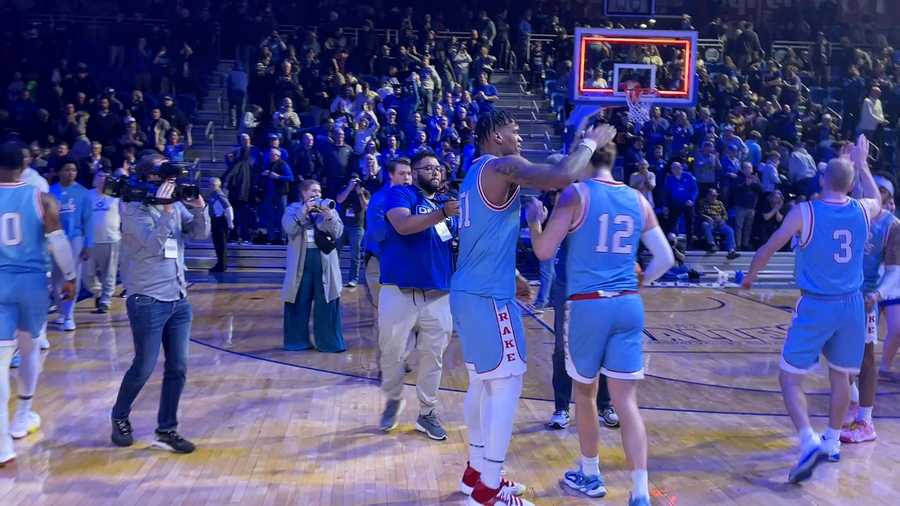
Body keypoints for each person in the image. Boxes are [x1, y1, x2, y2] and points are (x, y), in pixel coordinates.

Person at [452, 109, 616, 506]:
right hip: (488, 298)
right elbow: (562, 175)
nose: (520, 138)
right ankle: (489, 487)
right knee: (506, 385)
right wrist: (591, 142)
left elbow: (481, 237)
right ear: (496, 136)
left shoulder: (474, 173)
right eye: (515, 131)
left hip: (470, 290)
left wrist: (511, 273)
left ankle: (476, 473)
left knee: (481, 383)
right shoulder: (501, 166)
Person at [526, 139, 674, 506]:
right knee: (627, 402)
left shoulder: (576, 194)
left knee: (585, 394)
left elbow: (543, 251)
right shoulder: (637, 199)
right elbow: (665, 258)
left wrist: (534, 223)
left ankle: (590, 474)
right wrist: (642, 280)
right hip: (628, 304)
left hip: (589, 305)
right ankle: (640, 491)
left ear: (585, 160)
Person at [741, 136, 880, 483]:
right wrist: (861, 163)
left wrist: (750, 276)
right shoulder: (863, 209)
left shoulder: (805, 212)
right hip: (852, 305)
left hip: (817, 304)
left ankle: (808, 441)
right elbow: (876, 197)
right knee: (841, 377)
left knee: (789, 377)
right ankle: (832, 441)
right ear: (851, 183)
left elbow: (769, 247)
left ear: (821, 179)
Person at [110, 154, 210, 454]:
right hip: (147, 298)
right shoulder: (132, 207)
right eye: (162, 172)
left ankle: (167, 429)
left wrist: (201, 208)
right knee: (144, 366)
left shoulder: (175, 203)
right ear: (147, 176)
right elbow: (153, 246)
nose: (170, 178)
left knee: (178, 367)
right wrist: (166, 211)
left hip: (178, 297)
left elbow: (200, 233)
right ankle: (119, 416)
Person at [0, 142, 76, 463]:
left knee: (1, 361)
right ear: (24, 165)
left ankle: (3, 445)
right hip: (32, 284)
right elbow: (58, 242)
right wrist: (70, 276)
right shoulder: (42, 198)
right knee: (30, 350)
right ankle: (23, 416)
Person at [377, 151, 459, 439]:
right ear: (413, 172)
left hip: (438, 293)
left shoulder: (446, 205)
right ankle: (393, 398)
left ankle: (427, 413)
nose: (435, 172)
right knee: (391, 354)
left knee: (433, 357)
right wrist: (443, 213)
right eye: (428, 167)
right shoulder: (401, 194)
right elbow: (403, 225)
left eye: (438, 168)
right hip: (399, 290)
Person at [841, 176, 900, 443]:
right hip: (839, 295)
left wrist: (877, 294)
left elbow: (895, 271)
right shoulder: (848, 214)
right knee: (833, 354)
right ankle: (854, 398)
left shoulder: (891, 225)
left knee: (866, 357)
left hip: (869, 296)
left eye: (882, 190)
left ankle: (865, 420)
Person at [281, 180, 346, 353]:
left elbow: (338, 233)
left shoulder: (327, 208)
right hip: (300, 262)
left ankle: (330, 343)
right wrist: (303, 211)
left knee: (327, 300)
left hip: (324, 261)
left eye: (319, 191)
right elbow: (289, 228)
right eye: (313, 191)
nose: (317, 194)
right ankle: (296, 341)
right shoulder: (293, 209)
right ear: (303, 193)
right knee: (298, 300)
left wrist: (329, 216)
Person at [49, 162, 93, 331]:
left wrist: (88, 244)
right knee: (56, 278)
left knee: (72, 276)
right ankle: (61, 311)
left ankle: (69, 315)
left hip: (75, 239)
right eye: (67, 169)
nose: (70, 173)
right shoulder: (51, 191)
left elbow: (88, 220)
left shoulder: (82, 192)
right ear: (59, 171)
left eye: (73, 170)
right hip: (55, 238)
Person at [364, 159, 412, 309]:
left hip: (406, 262)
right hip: (381, 261)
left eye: (409, 173)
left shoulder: (415, 197)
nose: (407, 178)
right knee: (386, 310)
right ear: (391, 175)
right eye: (402, 173)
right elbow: (379, 233)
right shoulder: (379, 199)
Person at [85, 170, 121, 313]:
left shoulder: (116, 197)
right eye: (99, 176)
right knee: (87, 275)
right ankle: (97, 292)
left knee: (109, 273)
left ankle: (105, 300)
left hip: (111, 239)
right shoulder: (87, 196)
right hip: (90, 241)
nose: (102, 179)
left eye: (106, 177)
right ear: (94, 180)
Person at [336, 174, 369, 288]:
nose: (355, 184)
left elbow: (366, 207)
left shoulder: (364, 192)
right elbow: (339, 200)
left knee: (355, 254)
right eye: (353, 181)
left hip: (357, 227)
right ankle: (335, 277)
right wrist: (349, 188)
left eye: (357, 181)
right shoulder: (344, 189)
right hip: (342, 225)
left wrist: (360, 193)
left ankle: (353, 279)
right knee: (336, 252)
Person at [662, 162, 698, 248]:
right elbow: (666, 193)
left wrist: (691, 199)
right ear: (671, 170)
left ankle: (690, 245)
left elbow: (694, 189)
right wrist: (665, 205)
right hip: (675, 204)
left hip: (688, 204)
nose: (676, 170)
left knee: (689, 224)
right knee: (670, 224)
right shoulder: (669, 179)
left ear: (681, 168)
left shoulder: (689, 176)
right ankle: (670, 244)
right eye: (674, 168)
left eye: (678, 167)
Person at [697, 188, 740, 259]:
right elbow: (700, 214)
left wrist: (723, 220)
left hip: (719, 223)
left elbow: (725, 214)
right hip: (709, 222)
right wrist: (708, 218)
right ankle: (712, 245)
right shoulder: (702, 202)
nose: (714, 197)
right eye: (712, 195)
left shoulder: (719, 203)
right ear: (707, 195)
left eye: (715, 196)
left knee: (730, 231)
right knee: (705, 225)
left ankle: (731, 251)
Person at [207, 177, 234, 273]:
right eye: (210, 184)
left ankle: (222, 265)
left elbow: (228, 208)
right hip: (215, 220)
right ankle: (220, 263)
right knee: (217, 243)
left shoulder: (219, 195)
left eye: (212, 184)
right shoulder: (213, 195)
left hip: (220, 221)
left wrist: (230, 222)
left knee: (221, 244)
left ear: (217, 185)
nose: (210, 186)